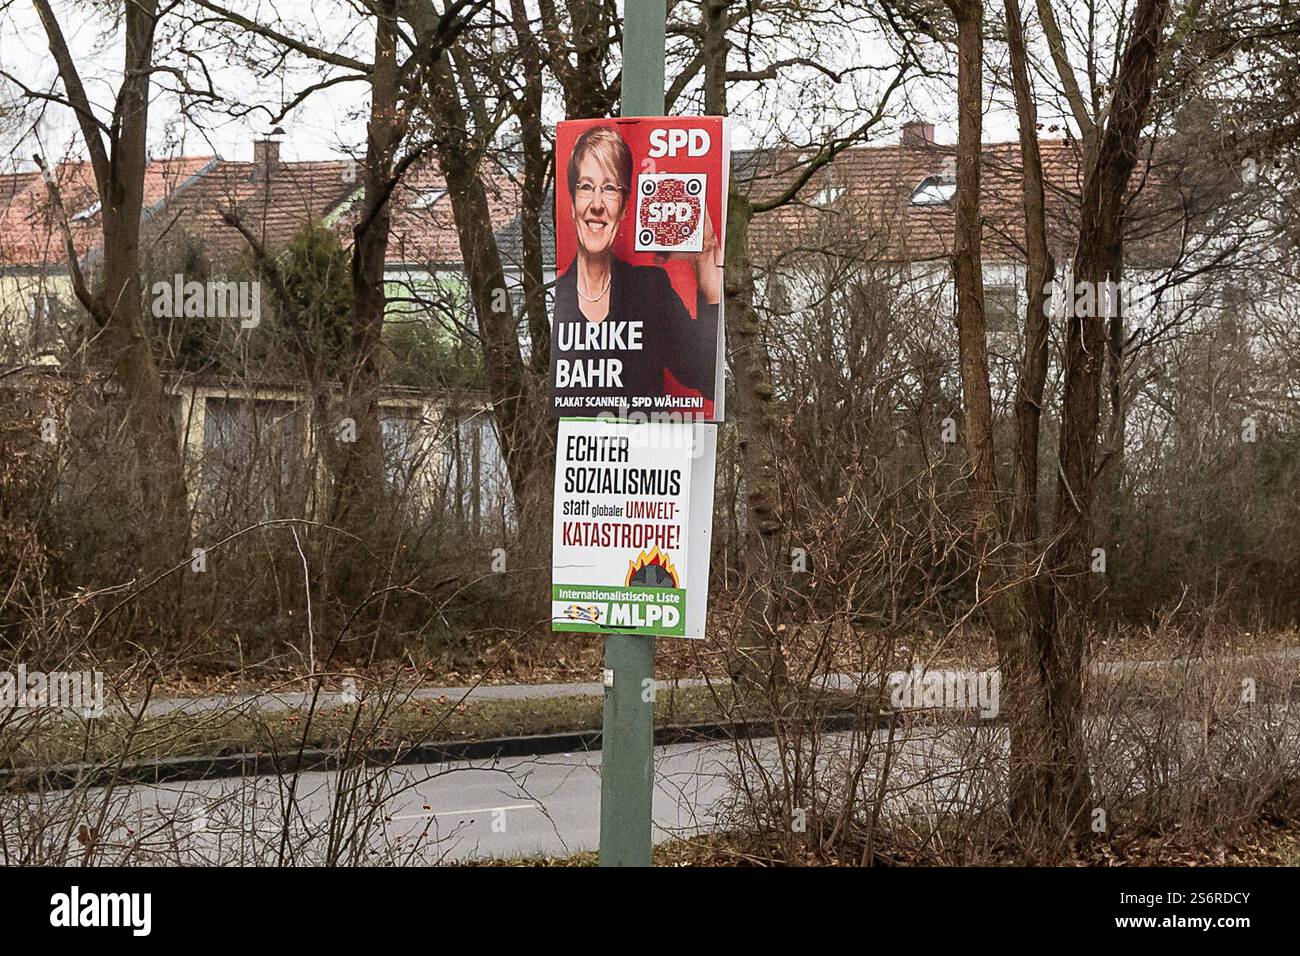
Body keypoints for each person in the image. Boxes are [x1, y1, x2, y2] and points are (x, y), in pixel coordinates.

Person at [551, 124, 721, 414]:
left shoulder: (649, 289)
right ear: (571, 202)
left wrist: (705, 253)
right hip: (579, 456)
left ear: (626, 205)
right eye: (586, 187)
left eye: (609, 189)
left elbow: (707, 375)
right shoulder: (555, 296)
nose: (596, 205)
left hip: (649, 453)